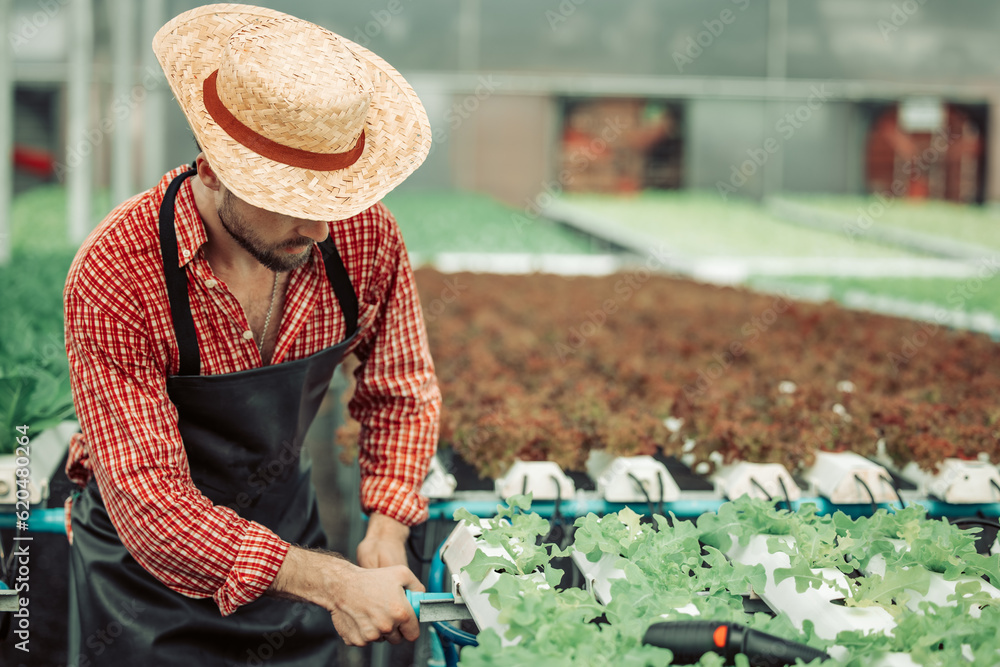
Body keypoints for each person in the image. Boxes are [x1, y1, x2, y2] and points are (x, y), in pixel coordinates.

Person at [62, 4, 441, 664]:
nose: (322, 229)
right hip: (142, 582)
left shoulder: (362, 236)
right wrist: (335, 581)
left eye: (333, 198)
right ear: (213, 170)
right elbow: (155, 510)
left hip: (286, 537)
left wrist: (387, 522)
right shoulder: (119, 270)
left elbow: (400, 389)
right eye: (294, 200)